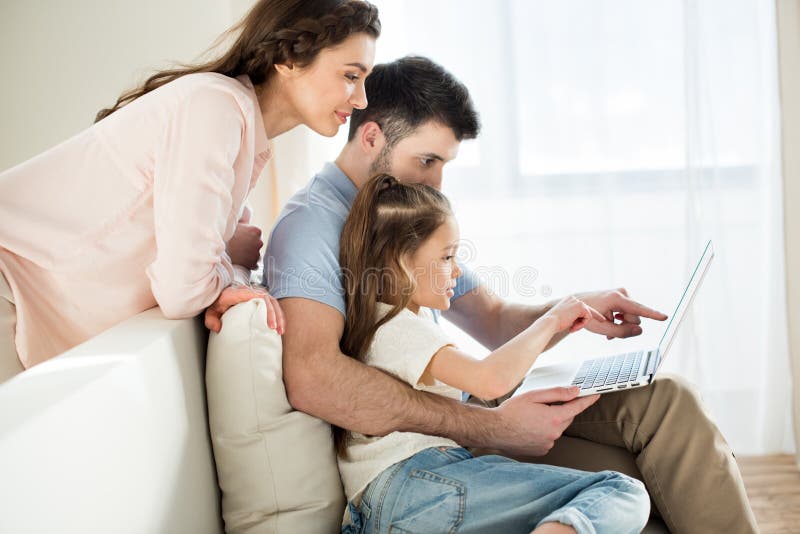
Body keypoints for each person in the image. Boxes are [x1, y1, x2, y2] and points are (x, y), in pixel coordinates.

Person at [262, 56, 759, 532]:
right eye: (427, 159)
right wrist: (492, 426)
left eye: (444, 163)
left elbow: (493, 319)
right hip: (431, 448)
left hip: (463, 407)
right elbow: (313, 378)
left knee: (667, 401)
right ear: (372, 137)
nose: (438, 181)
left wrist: (575, 311)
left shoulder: (406, 216)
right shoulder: (313, 227)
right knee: (631, 489)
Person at [0, 0, 380, 381]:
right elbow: (184, 288)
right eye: (351, 75)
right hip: (12, 285)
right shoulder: (215, 108)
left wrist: (224, 260)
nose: (362, 100)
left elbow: (215, 257)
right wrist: (228, 261)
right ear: (289, 58)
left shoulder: (244, 132)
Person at [334, 173, 650, 533]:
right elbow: (489, 380)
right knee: (620, 491)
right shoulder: (395, 324)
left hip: (393, 502)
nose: (457, 270)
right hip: (416, 482)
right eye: (447, 257)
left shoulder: (380, 323)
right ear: (399, 261)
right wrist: (552, 319)